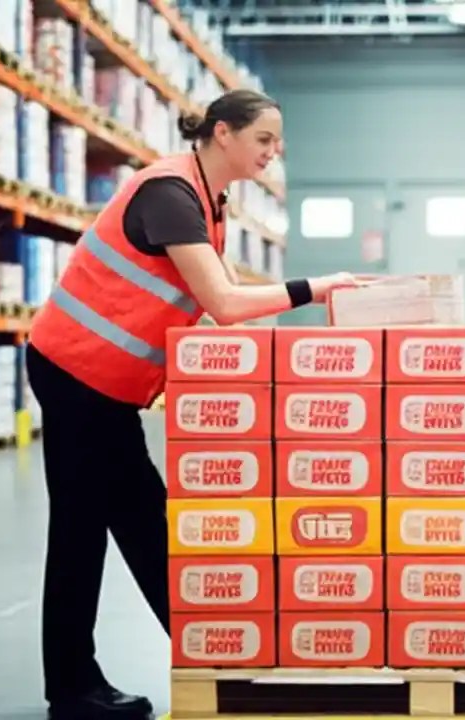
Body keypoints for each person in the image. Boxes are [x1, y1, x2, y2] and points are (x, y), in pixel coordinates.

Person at [24, 89, 358, 719]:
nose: (273, 152)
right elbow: (227, 304)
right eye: (264, 139)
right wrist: (318, 287)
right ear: (224, 134)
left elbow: (190, 306)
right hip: (75, 375)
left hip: (106, 388)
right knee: (83, 531)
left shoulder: (208, 201)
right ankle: (75, 688)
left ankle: (214, 653)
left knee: (146, 521)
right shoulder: (170, 195)